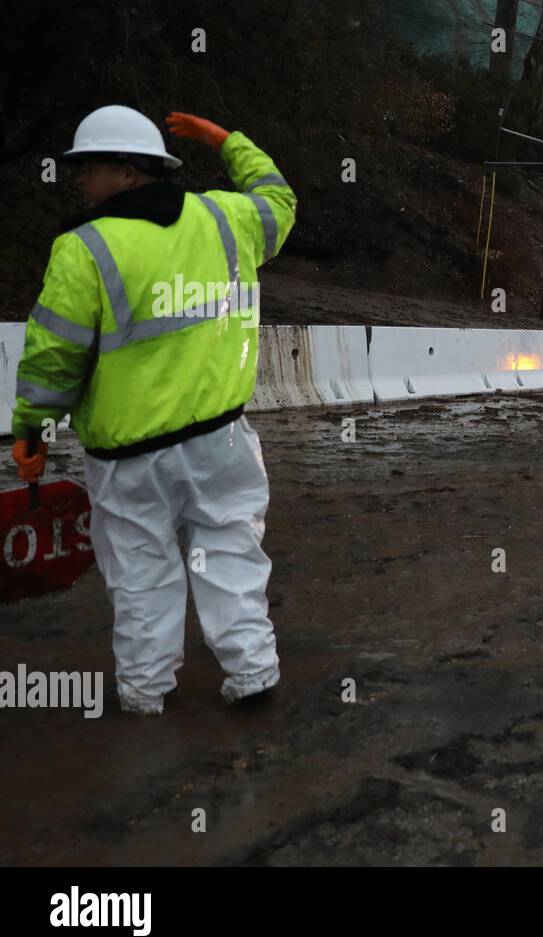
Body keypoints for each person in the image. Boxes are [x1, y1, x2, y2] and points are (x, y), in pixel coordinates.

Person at [8, 105, 296, 714]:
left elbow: (54, 354)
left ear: (129, 173)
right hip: (222, 441)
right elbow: (278, 196)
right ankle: (254, 674)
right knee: (230, 554)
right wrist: (226, 139)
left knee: (141, 576)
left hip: (130, 459)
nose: (80, 180)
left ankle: (144, 697)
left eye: (89, 167)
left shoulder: (83, 248)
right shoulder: (226, 218)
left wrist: (31, 427)